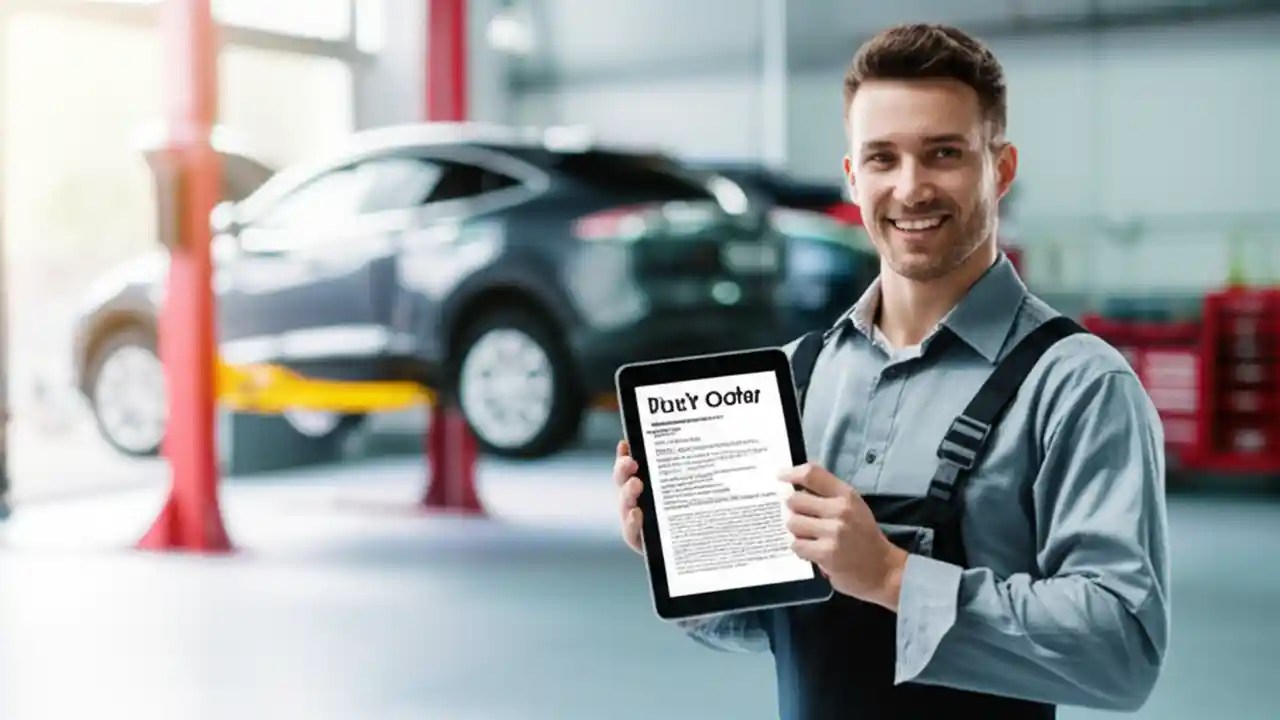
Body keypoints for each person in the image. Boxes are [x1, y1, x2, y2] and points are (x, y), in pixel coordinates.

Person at [613, 22, 1170, 720]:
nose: (911, 189)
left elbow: (1122, 652)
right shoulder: (793, 381)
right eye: (882, 158)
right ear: (853, 175)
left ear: (1000, 168)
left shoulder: (1077, 387)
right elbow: (765, 625)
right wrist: (681, 553)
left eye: (943, 154)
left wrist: (892, 576)